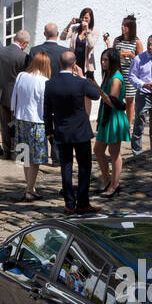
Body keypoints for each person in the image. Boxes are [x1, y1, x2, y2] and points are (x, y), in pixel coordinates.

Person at [43, 50, 104, 214]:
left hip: (62, 131)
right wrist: (82, 77)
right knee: (84, 166)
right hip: (80, 131)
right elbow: (95, 96)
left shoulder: (50, 84)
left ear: (59, 64)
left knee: (66, 167)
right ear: (74, 64)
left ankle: (69, 203)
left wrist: (49, 132)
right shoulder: (80, 82)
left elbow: (47, 111)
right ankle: (83, 201)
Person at [11, 51, 51, 201]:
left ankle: (30, 185)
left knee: (25, 156)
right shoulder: (45, 81)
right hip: (37, 122)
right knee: (35, 158)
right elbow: (44, 105)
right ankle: (29, 189)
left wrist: (14, 113)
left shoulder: (21, 76)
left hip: (21, 119)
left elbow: (14, 98)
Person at [95, 50, 130, 196]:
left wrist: (95, 87)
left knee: (114, 153)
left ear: (113, 61)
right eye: (102, 59)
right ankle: (107, 179)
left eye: (106, 60)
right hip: (106, 117)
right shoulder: (108, 75)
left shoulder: (116, 78)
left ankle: (115, 185)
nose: (103, 62)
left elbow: (111, 101)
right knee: (98, 150)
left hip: (114, 118)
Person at [0, 29, 31, 160]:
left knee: (4, 124)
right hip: (17, 96)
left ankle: (7, 151)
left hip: (0, 93)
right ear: (23, 43)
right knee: (17, 124)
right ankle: (19, 154)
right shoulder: (23, 57)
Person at [112, 16, 145, 128]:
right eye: (122, 25)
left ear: (131, 28)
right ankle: (118, 122)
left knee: (129, 100)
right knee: (116, 98)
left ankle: (128, 125)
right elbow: (112, 55)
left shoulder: (137, 42)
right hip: (118, 73)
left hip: (130, 74)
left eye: (125, 26)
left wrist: (131, 55)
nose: (123, 27)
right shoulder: (117, 40)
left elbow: (141, 61)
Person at [61, 7, 98, 77]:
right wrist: (69, 24)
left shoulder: (94, 32)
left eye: (86, 18)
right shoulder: (75, 29)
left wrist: (87, 29)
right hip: (74, 62)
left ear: (91, 19)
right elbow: (62, 38)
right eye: (82, 17)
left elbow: (91, 45)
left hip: (86, 65)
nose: (84, 20)